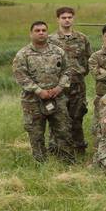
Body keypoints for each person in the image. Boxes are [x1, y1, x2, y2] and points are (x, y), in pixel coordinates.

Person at [13, 19, 74, 162]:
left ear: (47, 33)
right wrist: (38, 90)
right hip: (33, 101)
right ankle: (41, 162)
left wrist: (60, 87)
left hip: (57, 98)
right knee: (36, 132)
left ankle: (66, 161)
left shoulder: (58, 51)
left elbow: (68, 71)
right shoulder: (23, 54)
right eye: (37, 31)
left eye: (44, 30)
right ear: (31, 34)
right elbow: (20, 75)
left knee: (63, 130)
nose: (41, 33)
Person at [52, 6, 91, 156]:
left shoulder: (82, 38)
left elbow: (88, 59)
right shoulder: (51, 39)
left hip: (78, 85)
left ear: (73, 18)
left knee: (77, 116)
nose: (67, 20)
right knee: (59, 118)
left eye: (69, 17)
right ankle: (58, 149)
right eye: (63, 17)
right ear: (58, 19)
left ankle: (79, 148)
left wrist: (79, 73)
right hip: (58, 87)